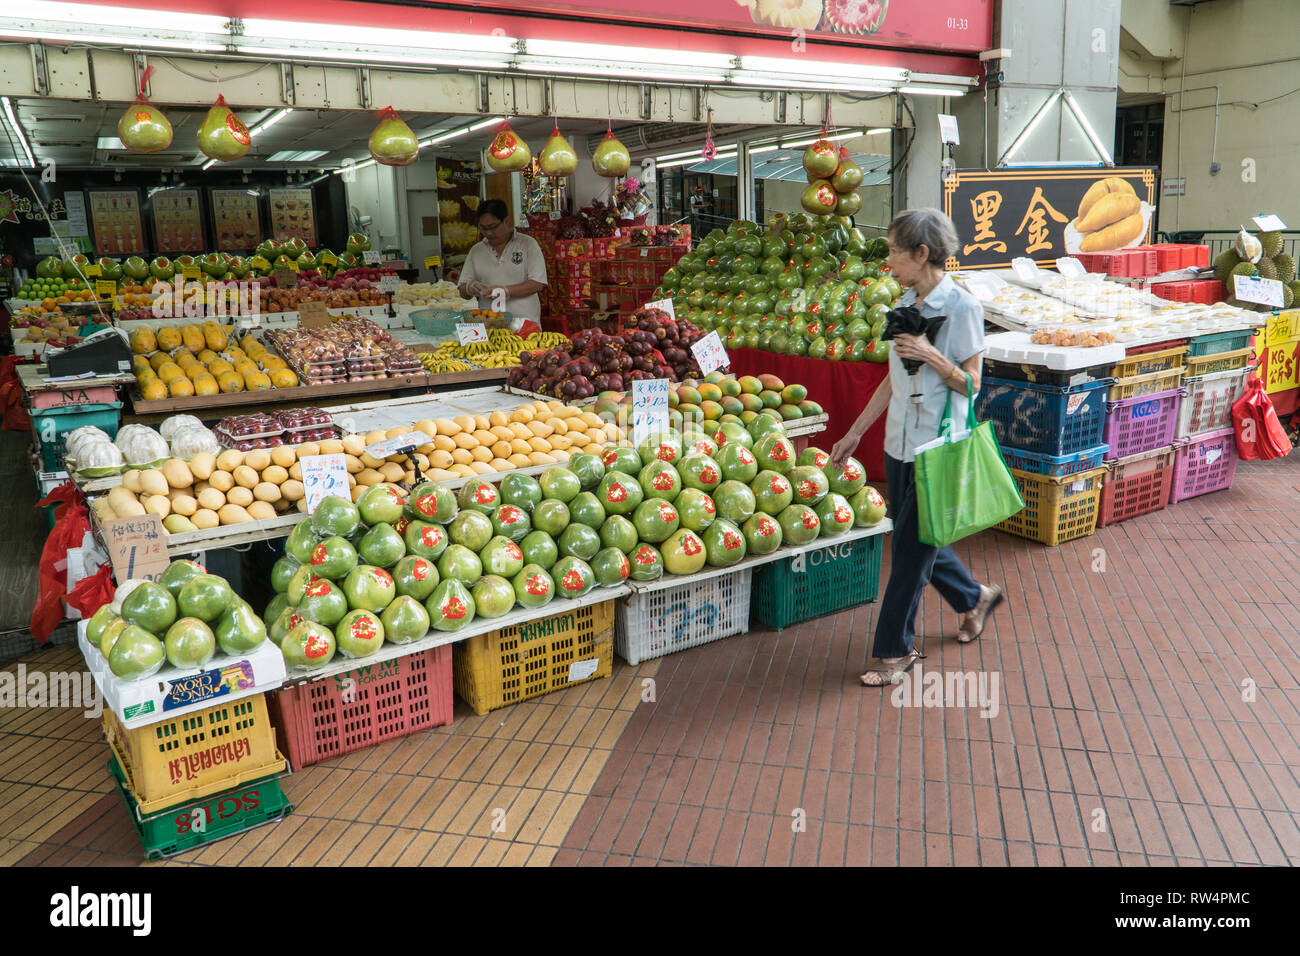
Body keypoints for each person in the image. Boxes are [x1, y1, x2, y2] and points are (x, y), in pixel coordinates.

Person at [830, 208, 1005, 687]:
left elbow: (972, 386)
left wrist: (932, 356)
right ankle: (974, 598)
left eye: (893, 251)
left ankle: (894, 650)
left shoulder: (963, 308)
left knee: (909, 551)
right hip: (898, 445)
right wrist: (856, 432)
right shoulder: (907, 303)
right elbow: (890, 381)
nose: (888, 261)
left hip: (937, 447)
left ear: (922, 253)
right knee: (920, 537)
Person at [456, 199, 548, 320]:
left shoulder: (527, 244)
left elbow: (537, 284)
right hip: (490, 324)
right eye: (483, 228)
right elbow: (462, 291)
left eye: (493, 227)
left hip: (524, 324)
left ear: (506, 221)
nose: (488, 233)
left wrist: (505, 291)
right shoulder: (476, 251)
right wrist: (470, 287)